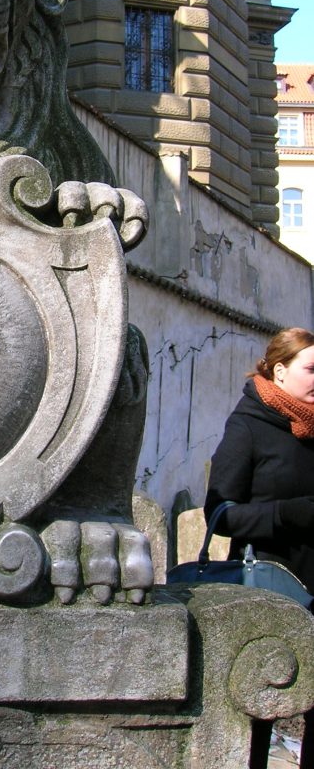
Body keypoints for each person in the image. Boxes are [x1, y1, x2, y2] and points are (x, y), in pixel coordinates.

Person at [206, 327, 314, 769]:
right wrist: (286, 515)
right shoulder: (249, 423)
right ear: (281, 371)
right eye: (312, 368)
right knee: (260, 711)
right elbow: (221, 514)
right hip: (270, 587)